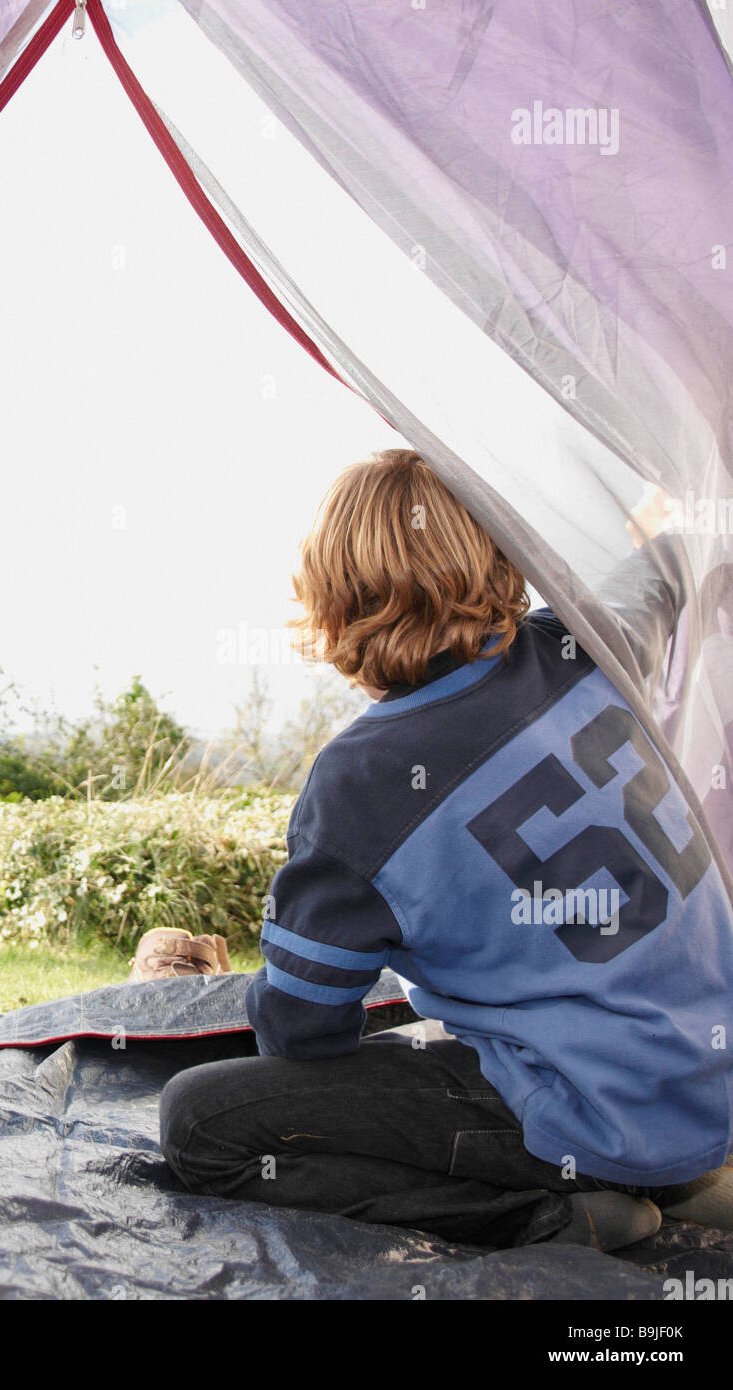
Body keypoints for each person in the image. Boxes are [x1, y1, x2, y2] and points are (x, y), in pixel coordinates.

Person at [158, 449, 733, 1251]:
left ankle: (567, 1215)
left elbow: (300, 1034)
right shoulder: (583, 644)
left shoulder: (360, 783)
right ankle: (693, 1177)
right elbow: (674, 565)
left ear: (335, 598)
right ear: (497, 552)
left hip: (590, 1119)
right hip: (711, 1085)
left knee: (200, 1120)